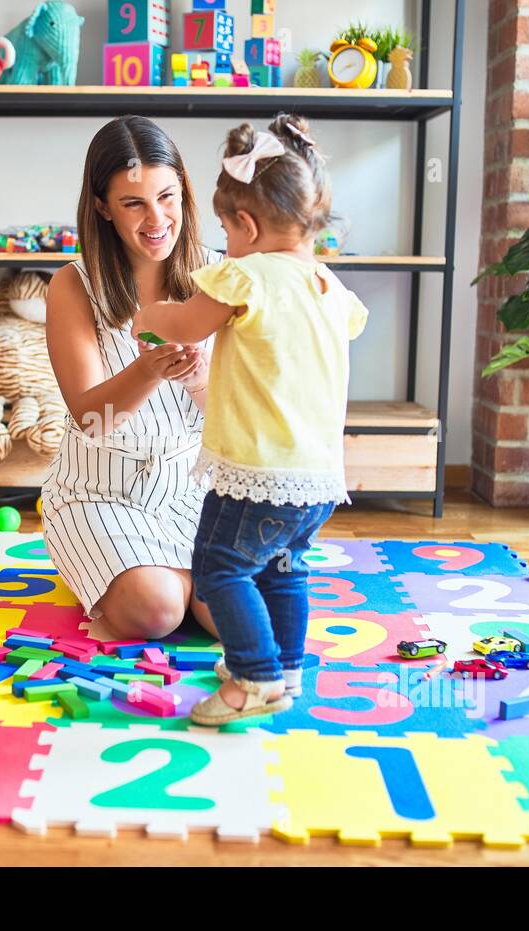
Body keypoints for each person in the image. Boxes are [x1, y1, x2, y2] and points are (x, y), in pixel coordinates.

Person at [134, 113, 369, 724]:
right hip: (315, 479)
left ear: (246, 224)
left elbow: (184, 323)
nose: (225, 240)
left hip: (257, 470)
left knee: (218, 569)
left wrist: (144, 317)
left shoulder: (246, 273)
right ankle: (285, 667)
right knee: (284, 568)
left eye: (225, 228)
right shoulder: (330, 287)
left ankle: (254, 678)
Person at [41, 116, 220, 641]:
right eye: (133, 203)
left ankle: (175, 576)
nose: (157, 218)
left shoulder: (220, 276)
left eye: (167, 197)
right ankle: (152, 579)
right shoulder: (73, 286)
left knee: (229, 615)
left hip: (192, 488)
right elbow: (91, 419)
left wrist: (202, 379)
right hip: (99, 490)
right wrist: (146, 370)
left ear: (184, 191)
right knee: (157, 611)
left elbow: (238, 416)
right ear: (102, 207)